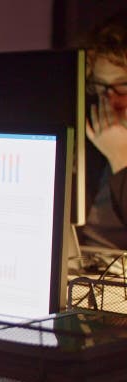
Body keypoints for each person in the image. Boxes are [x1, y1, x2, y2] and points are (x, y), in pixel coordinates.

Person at [79, 10, 127, 249]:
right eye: (100, 86)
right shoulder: (88, 126)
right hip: (83, 265)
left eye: (123, 86)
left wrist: (120, 158)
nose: (110, 100)